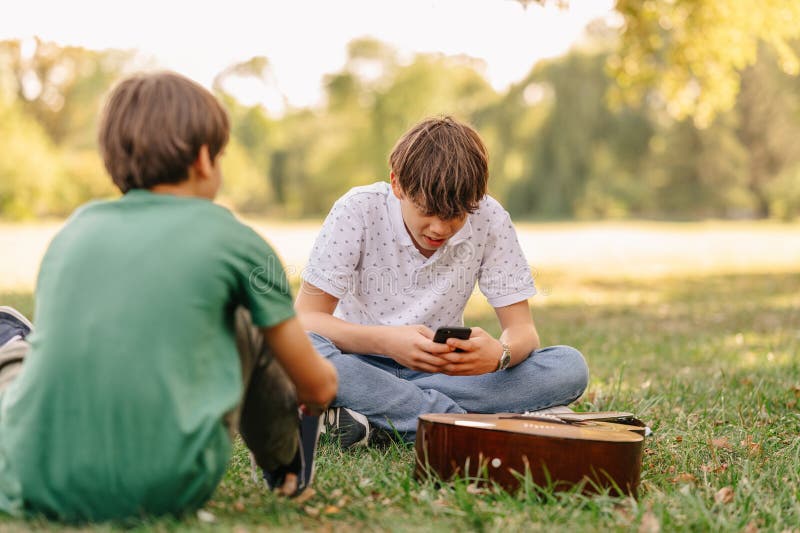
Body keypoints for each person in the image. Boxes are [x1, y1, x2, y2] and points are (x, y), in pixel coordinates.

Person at [0, 72, 337, 522]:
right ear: (203, 159)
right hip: (166, 484)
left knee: (21, 361)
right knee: (248, 318)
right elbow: (317, 387)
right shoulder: (237, 242)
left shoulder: (74, 231)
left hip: (27, 474)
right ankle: (284, 468)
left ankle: (15, 344)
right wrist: (317, 392)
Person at [295, 116, 588, 448]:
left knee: (568, 366)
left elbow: (522, 329)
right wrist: (387, 342)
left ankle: (375, 417)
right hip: (359, 361)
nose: (439, 229)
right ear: (397, 184)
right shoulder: (357, 210)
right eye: (427, 211)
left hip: (445, 372)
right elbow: (305, 319)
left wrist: (500, 355)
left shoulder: (490, 218)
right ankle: (456, 420)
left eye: (455, 216)